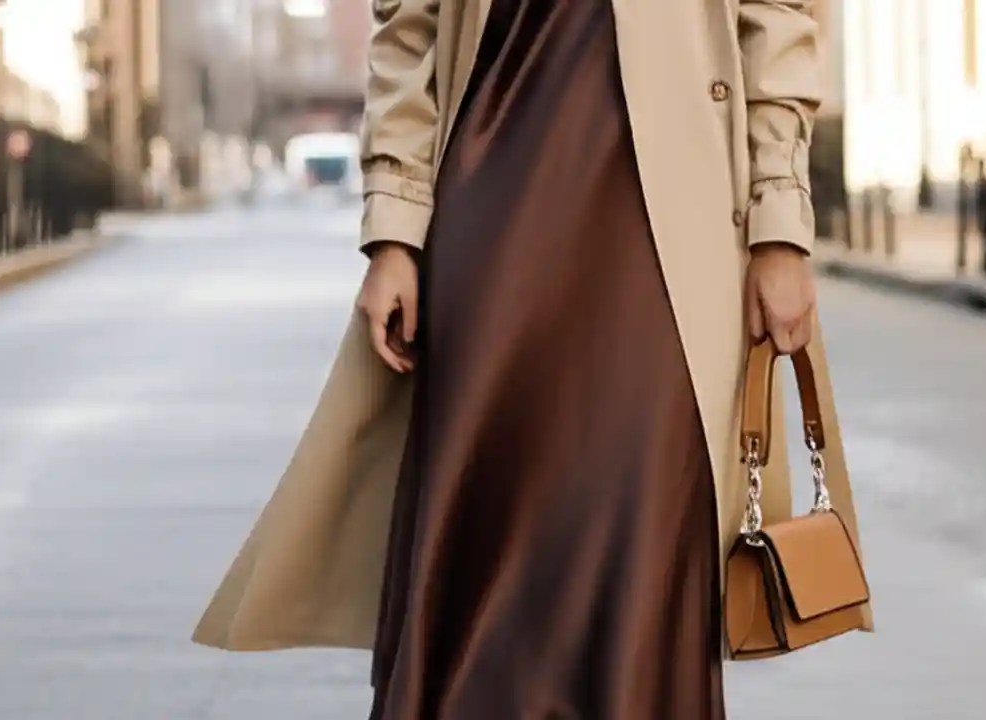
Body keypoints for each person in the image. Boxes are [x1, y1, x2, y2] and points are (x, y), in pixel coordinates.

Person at [192, 0, 870, 717]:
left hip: (673, 240)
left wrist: (779, 226)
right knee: (484, 570)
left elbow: (777, 17)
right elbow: (409, 28)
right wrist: (394, 232)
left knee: (641, 552)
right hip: (491, 227)